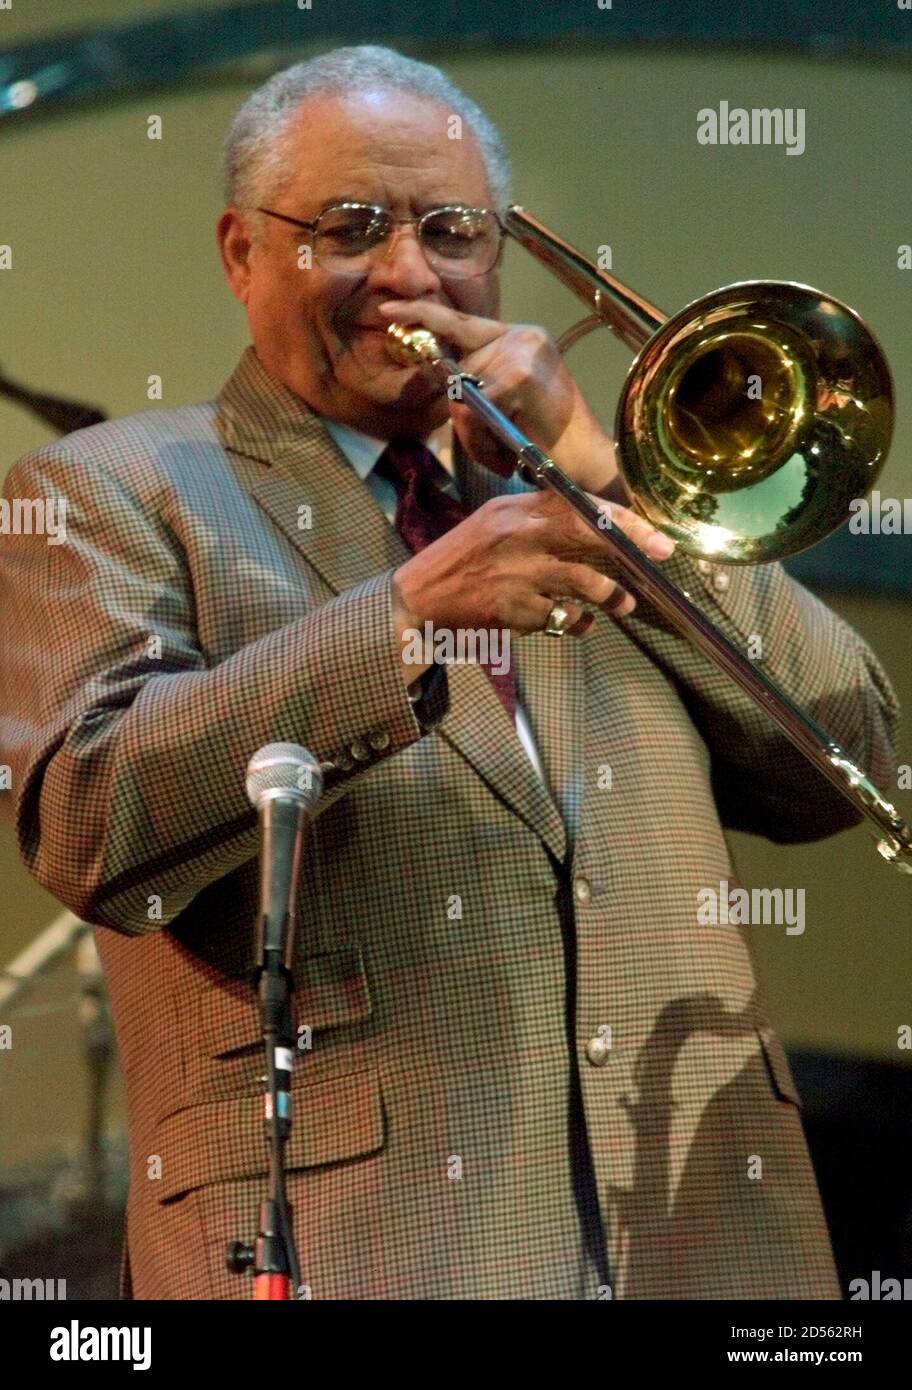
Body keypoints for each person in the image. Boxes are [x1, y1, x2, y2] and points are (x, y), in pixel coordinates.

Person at [0, 45, 899, 1300]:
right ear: (241, 252)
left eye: (452, 228)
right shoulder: (111, 487)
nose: (410, 271)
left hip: (712, 1249)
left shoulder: (598, 494)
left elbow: (849, 756)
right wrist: (411, 610)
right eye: (352, 225)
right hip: (370, 1250)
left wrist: (602, 461)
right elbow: (87, 817)